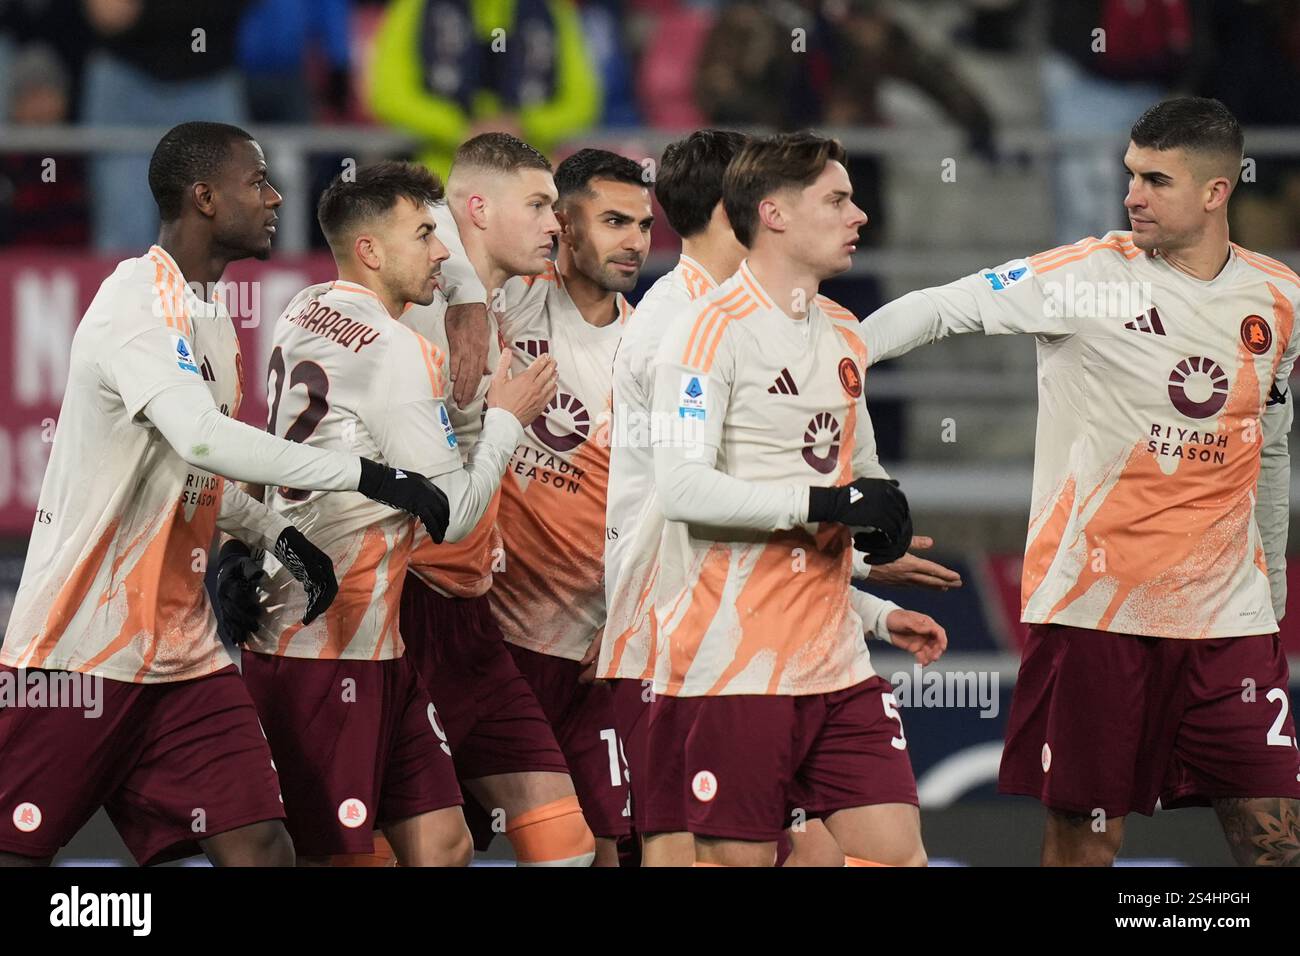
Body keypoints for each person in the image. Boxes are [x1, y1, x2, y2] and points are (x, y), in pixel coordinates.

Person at [859, 97, 1300, 866]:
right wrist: (822, 365)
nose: (1132, 195)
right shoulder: (1087, 276)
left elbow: (1267, 449)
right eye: (1130, 174)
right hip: (1097, 614)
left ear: (1216, 192)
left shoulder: (1278, 299)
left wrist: (1272, 588)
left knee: (1276, 838)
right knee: (1088, 842)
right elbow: (938, 310)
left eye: (1157, 180)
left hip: (1229, 622)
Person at [0, 122, 449, 866]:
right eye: (257, 182)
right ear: (204, 197)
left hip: (183, 660)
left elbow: (195, 475)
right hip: (78, 654)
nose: (275, 196)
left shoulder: (209, 315)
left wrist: (272, 534)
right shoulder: (136, 305)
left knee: (263, 849)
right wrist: (368, 474)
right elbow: (202, 439)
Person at [238, 160, 557, 866]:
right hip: (326, 645)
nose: (443, 249)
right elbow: (455, 516)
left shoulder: (302, 308)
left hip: (367, 640)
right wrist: (504, 419)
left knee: (445, 844)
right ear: (372, 251)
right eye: (423, 234)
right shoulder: (396, 350)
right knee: (339, 857)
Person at [646, 131, 945, 866]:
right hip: (735, 663)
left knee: (897, 855)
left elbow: (861, 470)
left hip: (837, 666)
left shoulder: (844, 331)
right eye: (837, 200)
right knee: (735, 862)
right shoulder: (702, 333)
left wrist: (883, 519)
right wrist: (828, 505)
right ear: (773, 214)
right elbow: (680, 485)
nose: (859, 216)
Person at [397, 133, 597, 867]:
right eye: (539, 206)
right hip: (402, 606)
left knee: (564, 843)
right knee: (422, 848)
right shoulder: (423, 315)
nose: (556, 224)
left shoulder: (495, 295)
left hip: (470, 617)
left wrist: (476, 295)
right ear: (477, 210)